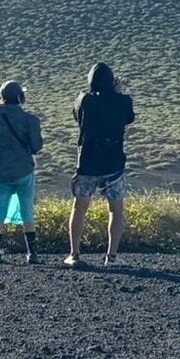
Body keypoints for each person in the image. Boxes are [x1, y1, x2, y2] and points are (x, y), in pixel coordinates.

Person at [65, 63, 135, 268]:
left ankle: (74, 255)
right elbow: (129, 118)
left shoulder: (84, 100)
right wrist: (118, 93)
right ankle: (111, 256)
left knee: (79, 207)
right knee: (116, 210)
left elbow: (77, 116)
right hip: (114, 164)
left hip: (87, 163)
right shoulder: (123, 101)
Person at [0, 79, 43, 265]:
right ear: (19, 97)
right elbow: (36, 146)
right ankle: (32, 254)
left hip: (0, 172)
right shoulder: (30, 120)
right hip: (24, 170)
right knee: (27, 211)